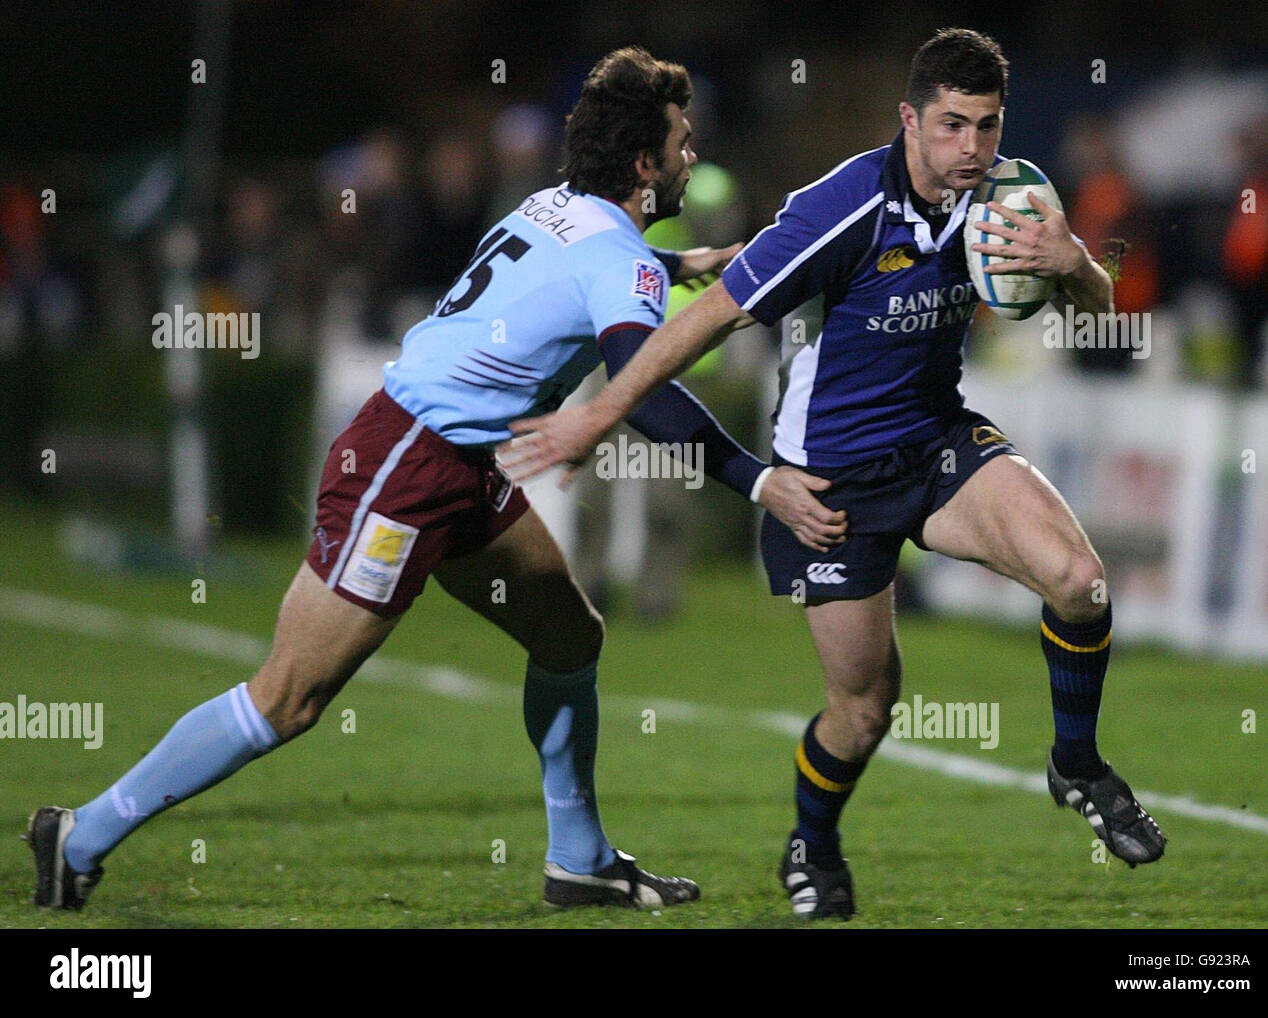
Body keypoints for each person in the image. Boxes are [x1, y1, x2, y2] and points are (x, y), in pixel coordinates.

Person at [27, 46, 844, 913]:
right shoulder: (623, 262)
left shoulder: (555, 206)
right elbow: (644, 395)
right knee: (290, 699)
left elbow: (559, 283)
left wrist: (684, 266)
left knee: (569, 638)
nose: (690, 156)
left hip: (460, 464)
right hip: (406, 467)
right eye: (680, 142)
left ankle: (579, 860)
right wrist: (759, 483)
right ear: (644, 165)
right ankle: (82, 832)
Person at [500, 28, 1167, 920]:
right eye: (952, 125)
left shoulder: (1012, 196)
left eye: (988, 127)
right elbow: (716, 318)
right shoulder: (840, 206)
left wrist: (1073, 263)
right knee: (863, 711)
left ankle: (1076, 765)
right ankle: (812, 844)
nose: (970, 149)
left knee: (1079, 582)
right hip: (829, 486)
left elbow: (1100, 303)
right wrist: (600, 409)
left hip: (938, 446)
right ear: (910, 119)